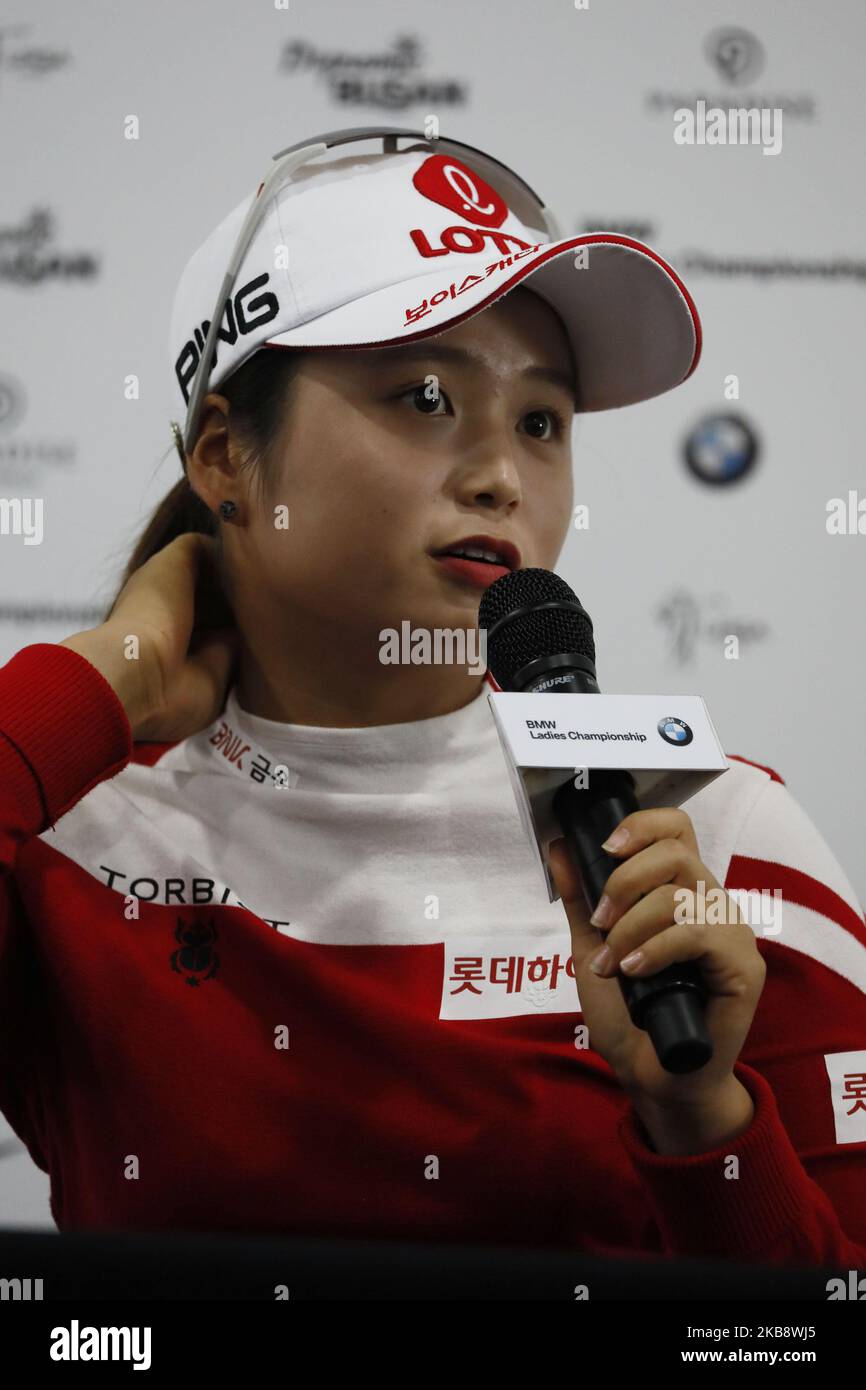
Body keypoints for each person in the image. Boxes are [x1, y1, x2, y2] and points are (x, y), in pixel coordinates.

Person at [1, 131, 865, 1268]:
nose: (501, 473)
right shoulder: (74, 828)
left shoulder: (716, 839)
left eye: (541, 421)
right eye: (421, 395)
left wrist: (701, 1123)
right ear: (223, 454)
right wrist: (111, 673)